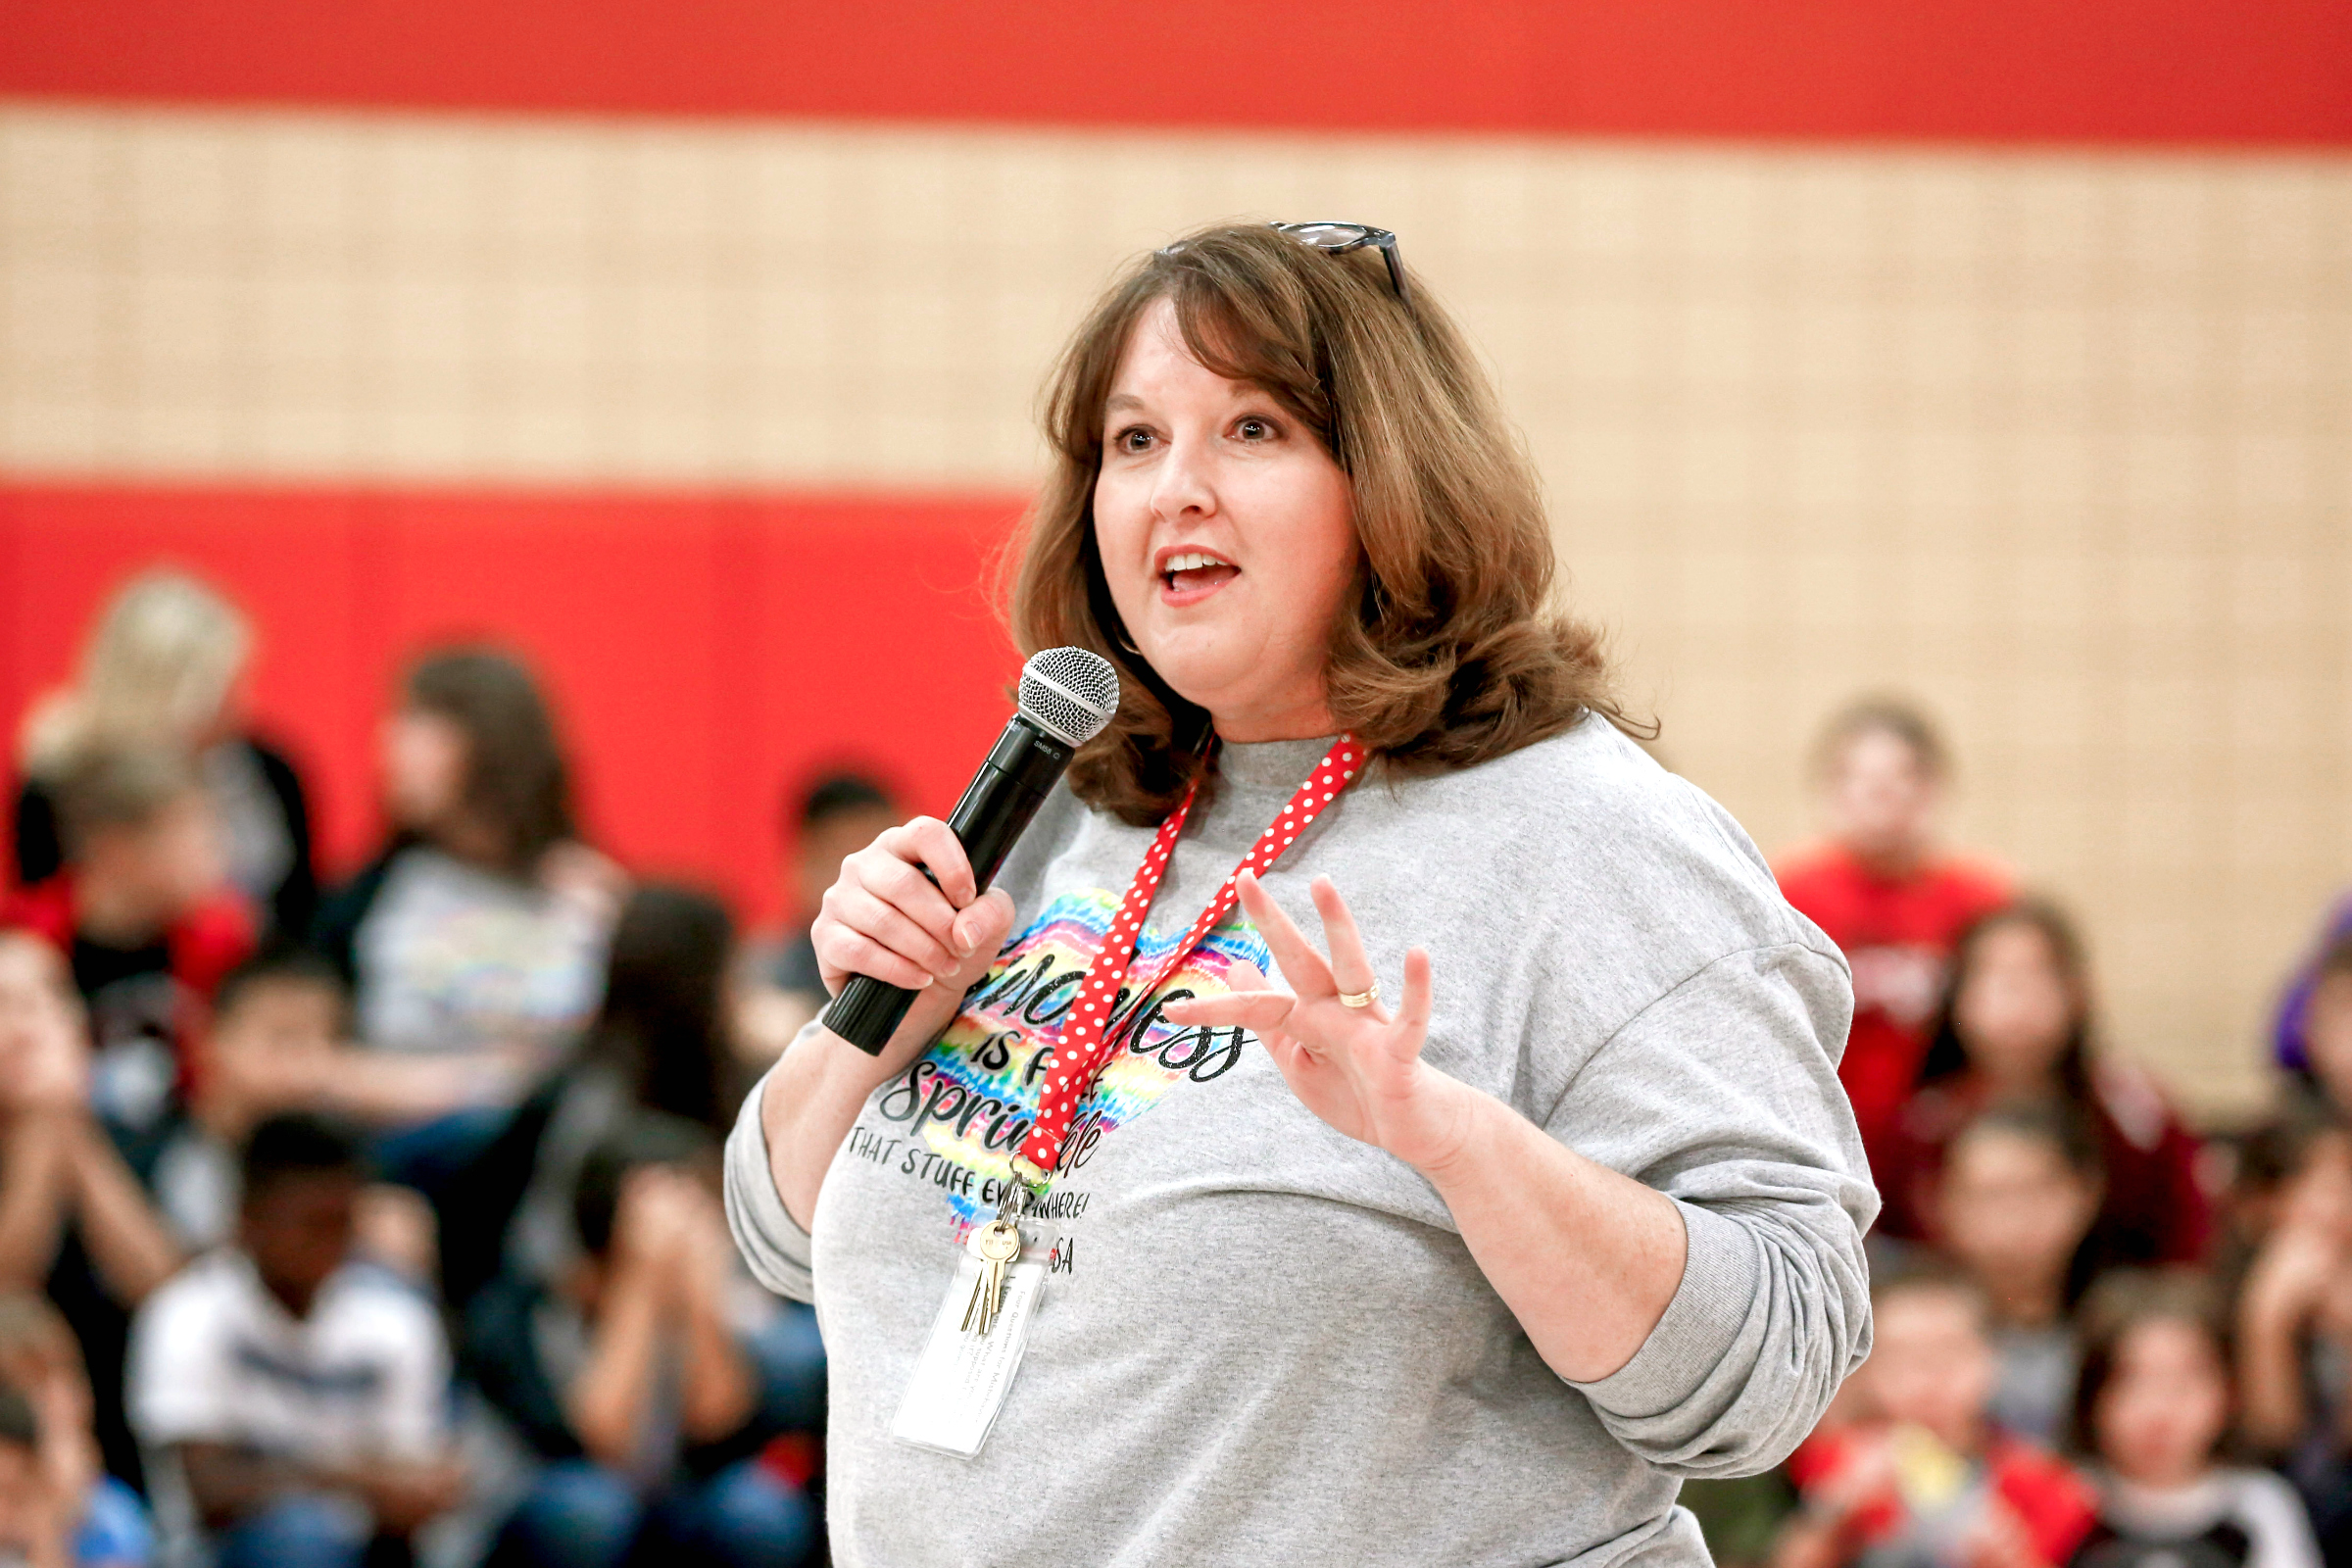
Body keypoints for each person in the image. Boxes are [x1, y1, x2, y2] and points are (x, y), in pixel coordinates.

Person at [725, 220, 1874, 1564]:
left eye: (1254, 430)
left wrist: (1459, 1147)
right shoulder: (1073, 803)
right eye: (1134, 441)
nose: (1177, 491)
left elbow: (1779, 1363)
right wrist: (879, 1023)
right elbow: (781, 1236)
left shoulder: (1593, 842)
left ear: (1389, 479)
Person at [313, 649, 623, 1189]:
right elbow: (302, 1063)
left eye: (418, 725)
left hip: (548, 1172)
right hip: (396, 1166)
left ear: (489, 743)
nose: (389, 747)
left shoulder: (588, 892)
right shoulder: (369, 897)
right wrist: (477, 1083)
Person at [468, 1121, 818, 1568]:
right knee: (589, 1510)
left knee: (757, 1512)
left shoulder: (731, 1296)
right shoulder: (527, 1318)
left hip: (687, 1506)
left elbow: (718, 1421)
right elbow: (603, 1443)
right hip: (558, 1508)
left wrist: (693, 1293)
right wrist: (640, 1278)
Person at [124, 1113, 463, 1568]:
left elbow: (412, 1476)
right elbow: (206, 1492)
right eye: (309, 1225)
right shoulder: (185, 1313)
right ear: (248, 1218)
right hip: (223, 1554)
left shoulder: (398, 1316)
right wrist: (356, 1480)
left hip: (366, 1550)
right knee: (302, 1536)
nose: (329, 1246)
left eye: (342, 1224)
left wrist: (428, 1490)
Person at [1881, 900, 2211, 1264]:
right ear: (1956, 996)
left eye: (2039, 975)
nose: (2016, 999)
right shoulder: (1920, 1125)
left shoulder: (2133, 1113)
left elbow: (2186, 1241)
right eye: (1993, 977)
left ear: (2077, 993)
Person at [1775, 699, 2011, 1178]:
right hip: (1818, 1140)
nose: (1880, 796)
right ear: (1830, 790)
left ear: (1932, 789)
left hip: (1951, 1146)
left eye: (1898, 780)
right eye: (1859, 780)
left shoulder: (1984, 901)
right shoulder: (1786, 894)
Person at [14, 569, 316, 944]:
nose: (241, 708)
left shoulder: (269, 770)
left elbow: (301, 905)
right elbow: (42, 924)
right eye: (223, 690)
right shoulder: (57, 784)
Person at [2, 747, 254, 1163]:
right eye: (192, 834)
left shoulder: (225, 940)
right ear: (116, 848)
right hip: (45, 1151)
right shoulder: (24, 938)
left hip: (181, 1157)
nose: (215, 855)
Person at [0, 933, 182, 1493]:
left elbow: (167, 1295)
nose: (23, 1027)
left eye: (41, 1001)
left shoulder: (147, 1137)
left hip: (134, 1421)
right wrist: (40, 1137)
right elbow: (7, 1295)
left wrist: (70, 1129)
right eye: (3, 1007)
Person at [1773, 1267, 2097, 1568]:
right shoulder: (1831, 1460)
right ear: (1866, 1371)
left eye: (1949, 1351)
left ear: (1993, 1360)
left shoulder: (2040, 1482)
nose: (1928, 1378)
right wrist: (1832, 1517)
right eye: (1902, 1357)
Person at [144, 951, 436, 1278]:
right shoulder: (152, 1157)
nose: (307, 1069)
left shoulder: (355, 1164)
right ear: (209, 1042)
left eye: (329, 1039)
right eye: (284, 1039)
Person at [2071, 1270, 2320, 1568]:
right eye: (2132, 1383)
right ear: (2091, 1396)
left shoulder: (2258, 1507)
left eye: (2183, 1385)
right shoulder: (2063, 1499)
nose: (2159, 1410)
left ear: (2230, 1393)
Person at [1931, 1102, 2104, 1445]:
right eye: (1990, 1195)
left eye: (2033, 1191)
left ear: (2086, 1194)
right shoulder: (1897, 1328)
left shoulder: (2115, 1331)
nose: (2012, 1218)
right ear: (1942, 1202)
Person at [2232, 1106, 2352, 1563]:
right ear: (2261, 1204)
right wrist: (2267, 1320)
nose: (2340, 1206)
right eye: (2325, 1187)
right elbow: (2272, 1441)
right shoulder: (2233, 1292)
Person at [734, 774, 900, 1072]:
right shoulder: (759, 974)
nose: (866, 880)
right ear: (801, 864)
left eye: (886, 860)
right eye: (841, 858)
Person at [0, 1296, 152, 1568]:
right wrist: (49, 1513)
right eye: (31, 1382)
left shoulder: (112, 1506)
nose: (61, 1399)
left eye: (67, 1373)